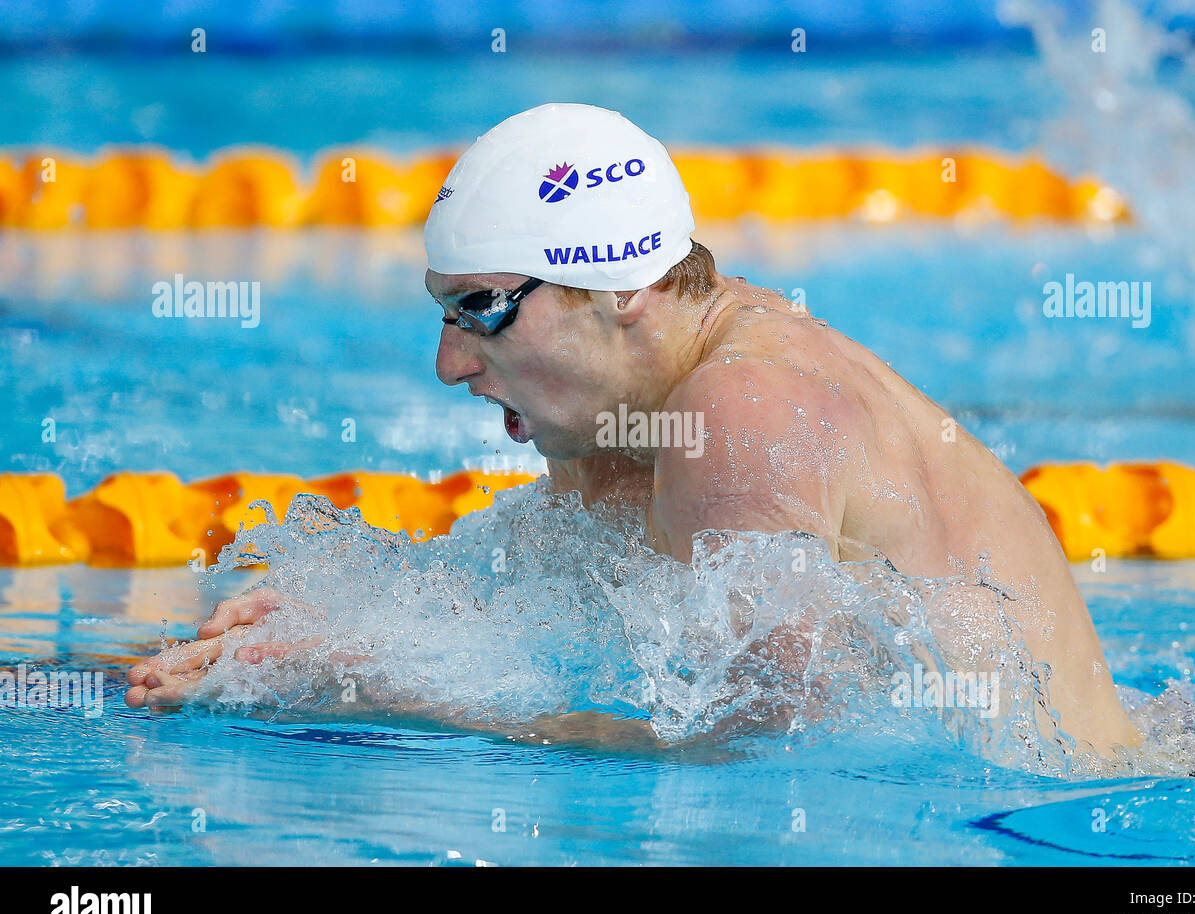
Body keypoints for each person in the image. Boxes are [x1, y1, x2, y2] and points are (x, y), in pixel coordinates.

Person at [127, 103, 1141, 758]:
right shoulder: (636, 407)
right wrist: (342, 624)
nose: (449, 362)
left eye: (481, 307)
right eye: (444, 311)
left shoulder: (738, 407)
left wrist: (378, 685)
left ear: (619, 285)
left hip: (1043, 828)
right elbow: (553, 585)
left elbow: (766, 753)